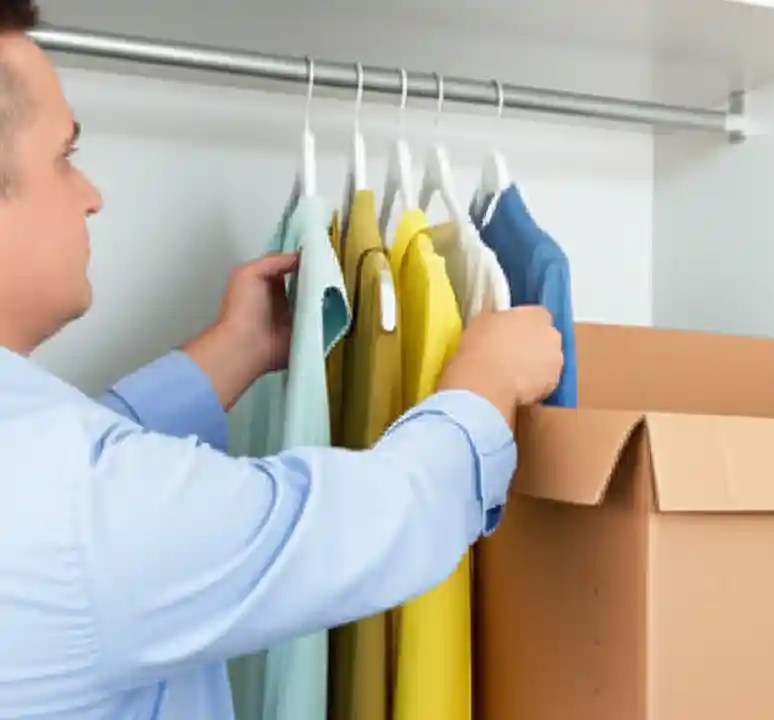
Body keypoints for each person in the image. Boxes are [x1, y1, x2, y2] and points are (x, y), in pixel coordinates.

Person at [0, 2, 563, 718]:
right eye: (65, 158)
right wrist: (489, 381)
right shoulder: (75, 509)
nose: (91, 197)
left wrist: (230, 354)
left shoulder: (48, 484)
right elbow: (370, 524)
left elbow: (84, 496)